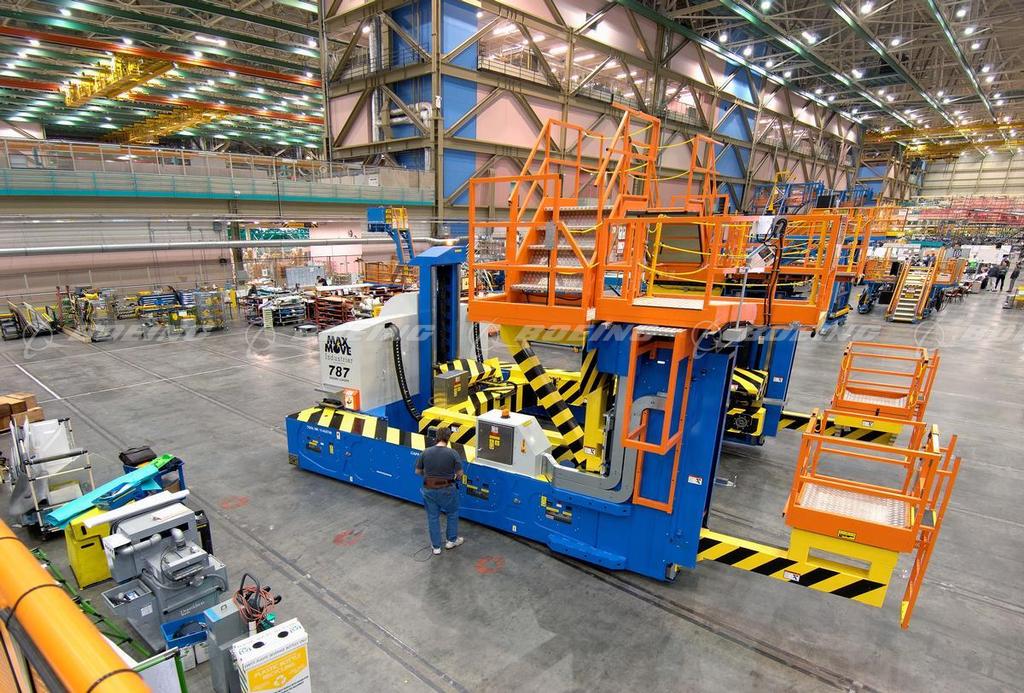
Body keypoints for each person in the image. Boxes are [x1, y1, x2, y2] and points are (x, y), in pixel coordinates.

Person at [415, 426, 465, 555]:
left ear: (436, 437)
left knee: (433, 517)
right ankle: (451, 541)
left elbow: (417, 471)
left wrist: (429, 476)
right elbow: (460, 474)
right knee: (452, 513)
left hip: (429, 489)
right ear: (448, 438)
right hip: (447, 489)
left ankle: (436, 547)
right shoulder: (453, 453)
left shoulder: (425, 452)